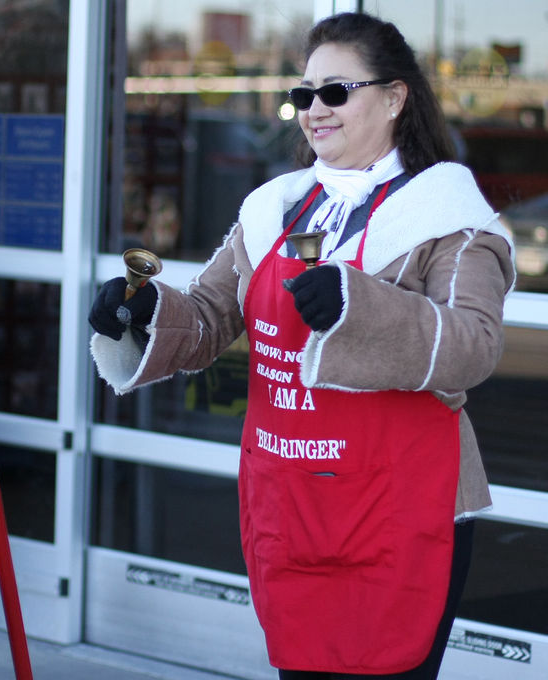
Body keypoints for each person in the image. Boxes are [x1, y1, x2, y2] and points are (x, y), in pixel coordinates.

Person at [89, 13, 515, 680]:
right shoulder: (274, 208)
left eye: (336, 91)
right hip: (292, 499)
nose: (314, 109)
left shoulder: (448, 216)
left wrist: (359, 306)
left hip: (403, 506)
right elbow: (206, 317)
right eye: (305, 92)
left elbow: (473, 343)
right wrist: (144, 310)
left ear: (395, 97)